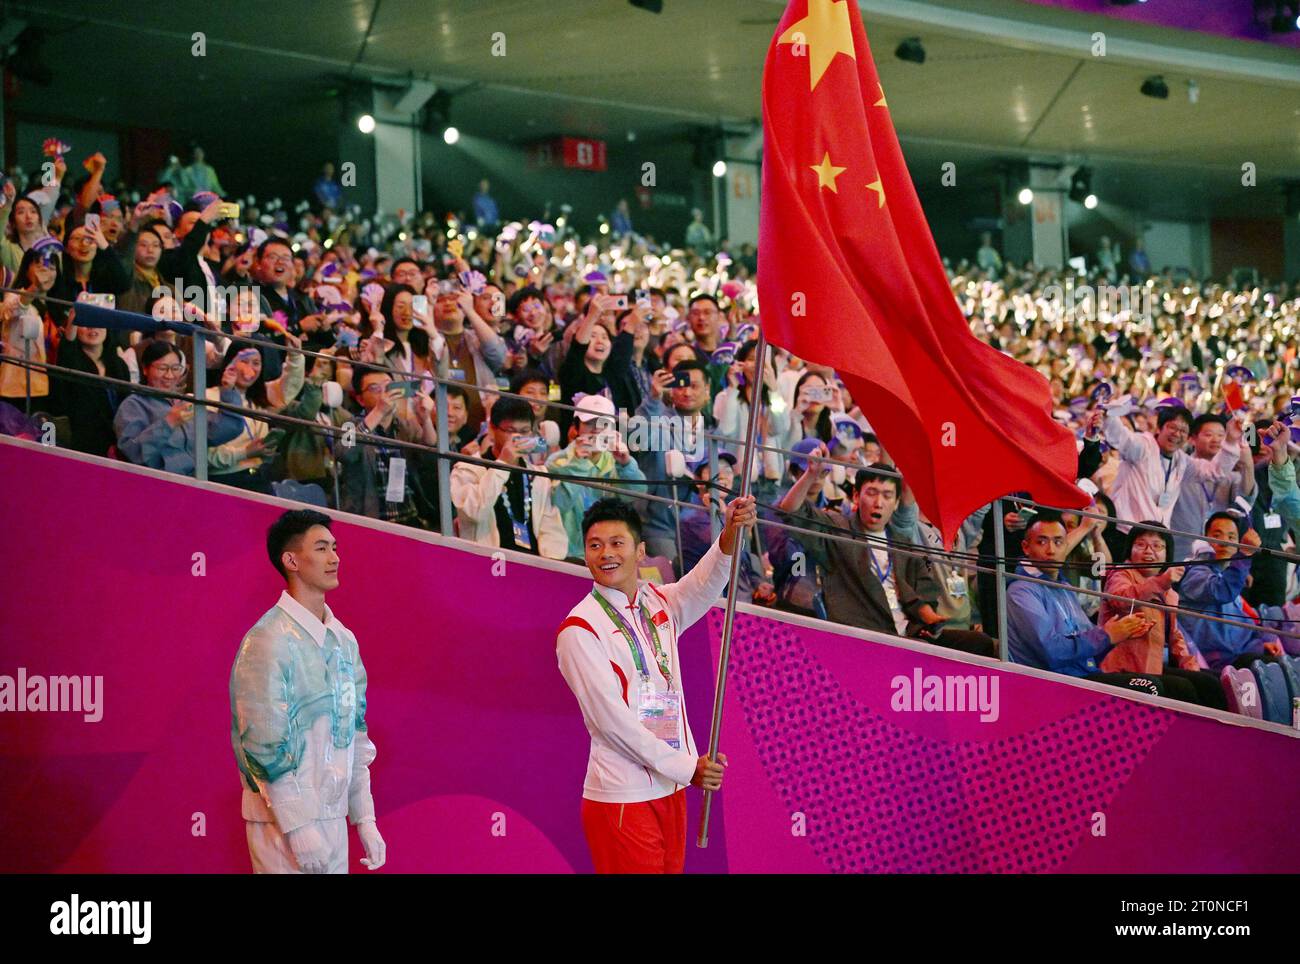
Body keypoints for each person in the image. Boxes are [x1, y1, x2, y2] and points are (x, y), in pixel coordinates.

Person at [556, 494, 756, 874]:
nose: (605, 554)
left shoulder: (657, 604)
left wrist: (730, 532)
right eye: (595, 546)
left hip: (669, 789)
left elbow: (702, 583)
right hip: (623, 797)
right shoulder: (579, 630)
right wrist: (688, 768)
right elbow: (612, 725)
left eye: (617, 543)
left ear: (640, 551)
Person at [230, 509, 386, 874]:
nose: (334, 558)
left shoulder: (344, 641)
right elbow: (260, 743)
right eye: (321, 548)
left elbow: (354, 738)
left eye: (334, 547)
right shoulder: (267, 640)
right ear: (291, 560)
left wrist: (365, 819)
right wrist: (298, 826)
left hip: (332, 819)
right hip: (280, 825)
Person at [777, 459, 996, 657]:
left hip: (910, 633)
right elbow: (790, 511)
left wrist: (927, 615)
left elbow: (924, 585)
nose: (879, 502)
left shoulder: (900, 540)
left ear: (896, 502)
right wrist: (811, 473)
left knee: (983, 644)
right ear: (856, 495)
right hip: (866, 636)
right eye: (871, 493)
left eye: (887, 495)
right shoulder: (837, 529)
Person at [1007, 517, 1201, 701]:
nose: (1050, 550)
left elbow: (1090, 646)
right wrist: (1107, 636)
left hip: (1084, 672)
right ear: (1026, 547)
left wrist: (1118, 636)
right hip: (1056, 682)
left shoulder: (1062, 588)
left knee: (1200, 684)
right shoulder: (1022, 591)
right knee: (1150, 687)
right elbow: (1052, 652)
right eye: (1042, 542)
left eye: (1058, 542)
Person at [1097, 522, 1227, 709]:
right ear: (1130, 549)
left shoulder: (1170, 593)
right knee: (1183, 689)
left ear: (1167, 553)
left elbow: (1175, 638)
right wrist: (1160, 582)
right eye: (1141, 544)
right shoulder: (1120, 575)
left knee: (1209, 681)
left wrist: (1190, 666)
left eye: (1157, 546)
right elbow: (1121, 600)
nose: (1149, 551)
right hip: (1118, 670)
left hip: (1151, 668)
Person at [449, 395, 567, 558]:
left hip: (532, 564)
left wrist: (549, 566)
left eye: (525, 431)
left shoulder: (538, 475)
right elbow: (474, 513)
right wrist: (503, 463)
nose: (518, 438)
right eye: (510, 431)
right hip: (487, 563)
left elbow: (551, 528)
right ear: (492, 429)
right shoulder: (467, 469)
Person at [112, 340, 245, 476]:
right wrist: (169, 422)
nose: (169, 376)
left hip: (195, 480)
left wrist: (228, 389)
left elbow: (228, 428)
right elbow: (132, 453)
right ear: (145, 369)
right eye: (162, 368)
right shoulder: (133, 404)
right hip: (154, 482)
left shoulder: (184, 402)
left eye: (175, 368)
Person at [1176, 511, 1285, 670]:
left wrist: (1264, 639)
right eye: (1217, 535)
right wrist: (1245, 555)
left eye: (1232, 537)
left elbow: (1252, 618)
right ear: (1204, 539)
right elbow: (1222, 590)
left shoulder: (1229, 574)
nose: (1225, 542)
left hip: (1246, 651)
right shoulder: (1194, 574)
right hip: (1226, 661)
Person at [1103, 404, 1237, 531]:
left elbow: (1214, 472)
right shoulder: (1142, 447)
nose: (1177, 434)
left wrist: (1230, 441)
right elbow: (1122, 437)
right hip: (1124, 530)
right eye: (1172, 427)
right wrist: (1109, 415)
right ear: (1159, 428)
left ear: (1188, 437)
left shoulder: (1182, 461)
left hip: (1156, 535)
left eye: (1183, 431)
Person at [546, 393, 646, 560]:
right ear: (576, 427)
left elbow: (638, 493)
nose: (597, 429)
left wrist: (626, 464)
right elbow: (558, 505)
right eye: (589, 423)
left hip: (607, 553)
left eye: (604, 423)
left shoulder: (617, 460)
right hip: (568, 553)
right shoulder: (557, 461)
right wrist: (579, 465)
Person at [1169, 413, 1255, 560]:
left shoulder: (1231, 474)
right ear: (1192, 438)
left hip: (1218, 556)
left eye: (1221, 435)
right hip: (1180, 554)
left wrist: (1247, 463)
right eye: (1208, 434)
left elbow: (1245, 497)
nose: (1216, 440)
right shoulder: (1181, 467)